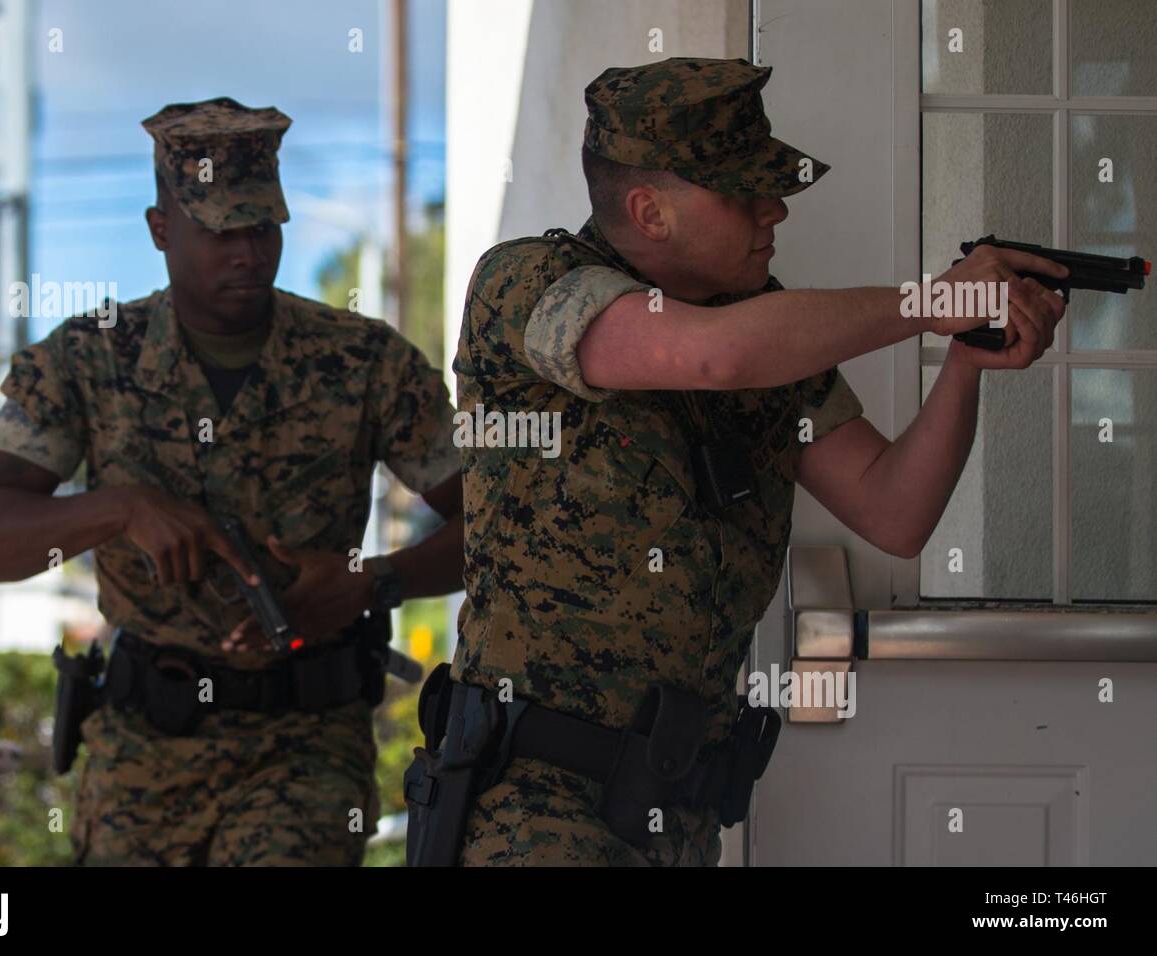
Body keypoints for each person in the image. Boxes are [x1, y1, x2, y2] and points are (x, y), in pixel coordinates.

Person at [407, 57, 1065, 866]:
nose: (774, 209)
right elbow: (715, 358)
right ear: (649, 210)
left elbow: (894, 514)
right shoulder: (528, 283)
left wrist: (965, 357)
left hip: (674, 811)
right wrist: (937, 300)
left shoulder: (764, 327)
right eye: (743, 190)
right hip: (533, 809)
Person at [0, 96, 464, 866]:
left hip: (305, 747)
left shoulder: (363, 362)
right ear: (161, 230)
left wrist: (370, 580)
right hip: (143, 753)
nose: (247, 251)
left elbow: (505, 528)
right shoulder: (89, 362)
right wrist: (119, 509)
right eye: (220, 230)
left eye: (263, 226)